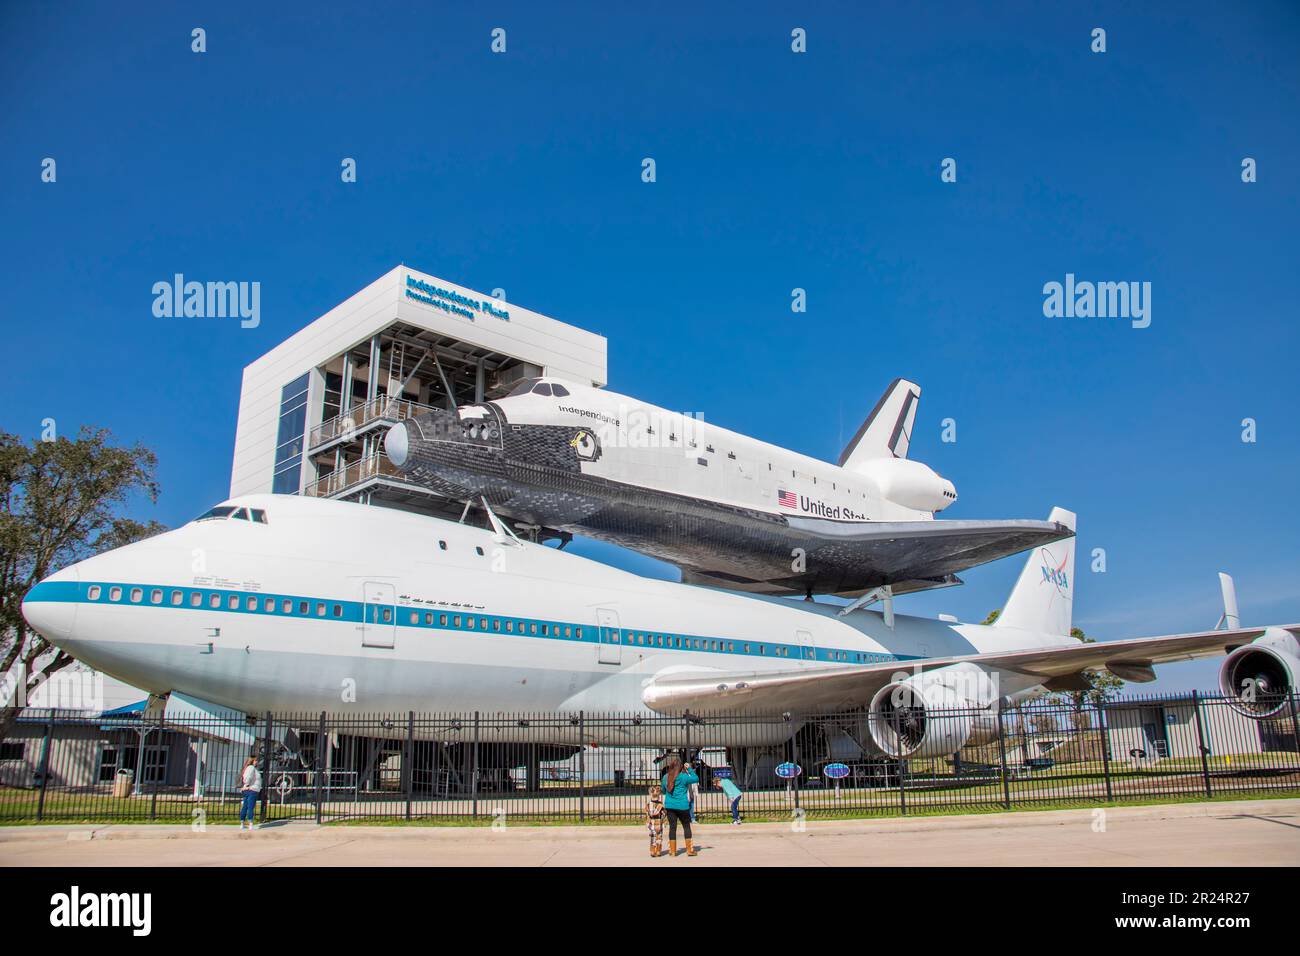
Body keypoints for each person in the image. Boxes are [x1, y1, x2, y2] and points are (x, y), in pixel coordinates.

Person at [659, 754, 699, 857]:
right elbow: (696, 778)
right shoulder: (684, 777)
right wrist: (689, 768)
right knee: (686, 826)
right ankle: (689, 850)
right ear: (681, 767)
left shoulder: (665, 777)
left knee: (672, 827)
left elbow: (663, 790)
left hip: (670, 805)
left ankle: (672, 851)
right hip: (682, 806)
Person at [238, 755, 262, 830]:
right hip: (252, 789)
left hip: (249, 789)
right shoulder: (251, 768)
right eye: (255, 760)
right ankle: (250, 823)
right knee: (250, 807)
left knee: (245, 806)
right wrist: (247, 785)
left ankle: (242, 823)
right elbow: (248, 777)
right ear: (252, 761)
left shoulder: (250, 768)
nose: (257, 762)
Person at [645, 782, 665, 858]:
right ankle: (659, 851)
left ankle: (653, 851)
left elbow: (647, 814)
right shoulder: (661, 805)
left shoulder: (648, 804)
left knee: (652, 837)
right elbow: (663, 814)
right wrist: (664, 821)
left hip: (651, 823)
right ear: (659, 795)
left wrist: (647, 823)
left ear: (650, 794)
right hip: (659, 823)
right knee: (659, 837)